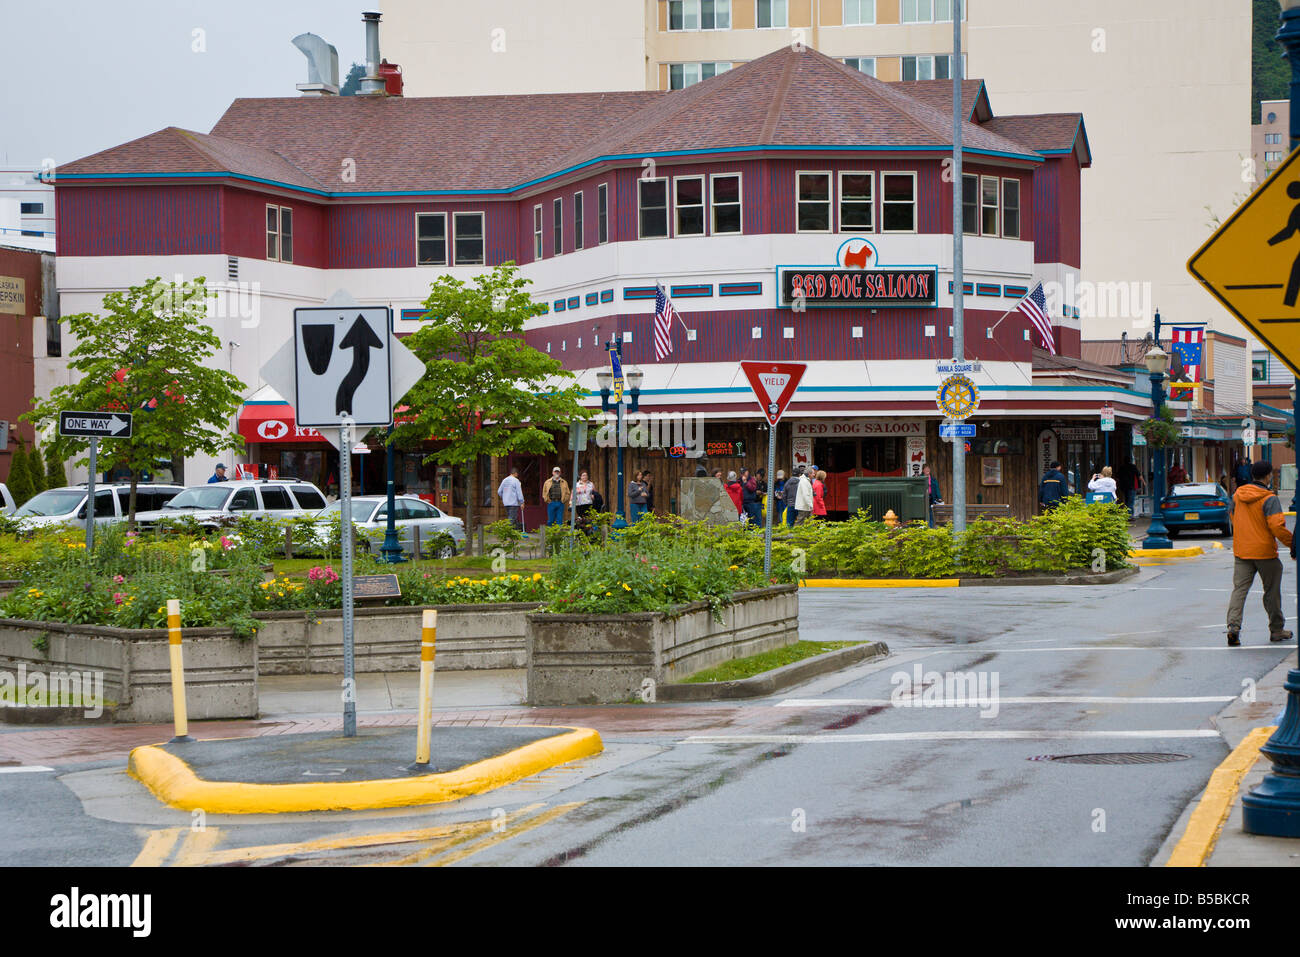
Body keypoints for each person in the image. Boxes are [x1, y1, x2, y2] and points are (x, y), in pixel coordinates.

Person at [1226, 461, 1295, 647]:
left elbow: (1232, 517)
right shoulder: (1269, 498)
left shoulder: (1237, 495)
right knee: (1271, 592)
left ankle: (1233, 627)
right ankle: (1277, 629)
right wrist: (1293, 545)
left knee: (1239, 590)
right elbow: (1277, 527)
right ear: (1268, 476)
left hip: (1242, 551)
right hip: (1264, 552)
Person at [497, 466, 524, 532]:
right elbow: (519, 492)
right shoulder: (516, 481)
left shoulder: (504, 480)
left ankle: (515, 533)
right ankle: (506, 532)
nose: (517, 476)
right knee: (511, 519)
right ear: (515, 473)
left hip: (506, 503)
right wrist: (522, 502)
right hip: (513, 503)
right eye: (517, 474)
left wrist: (504, 497)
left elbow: (499, 491)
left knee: (512, 518)